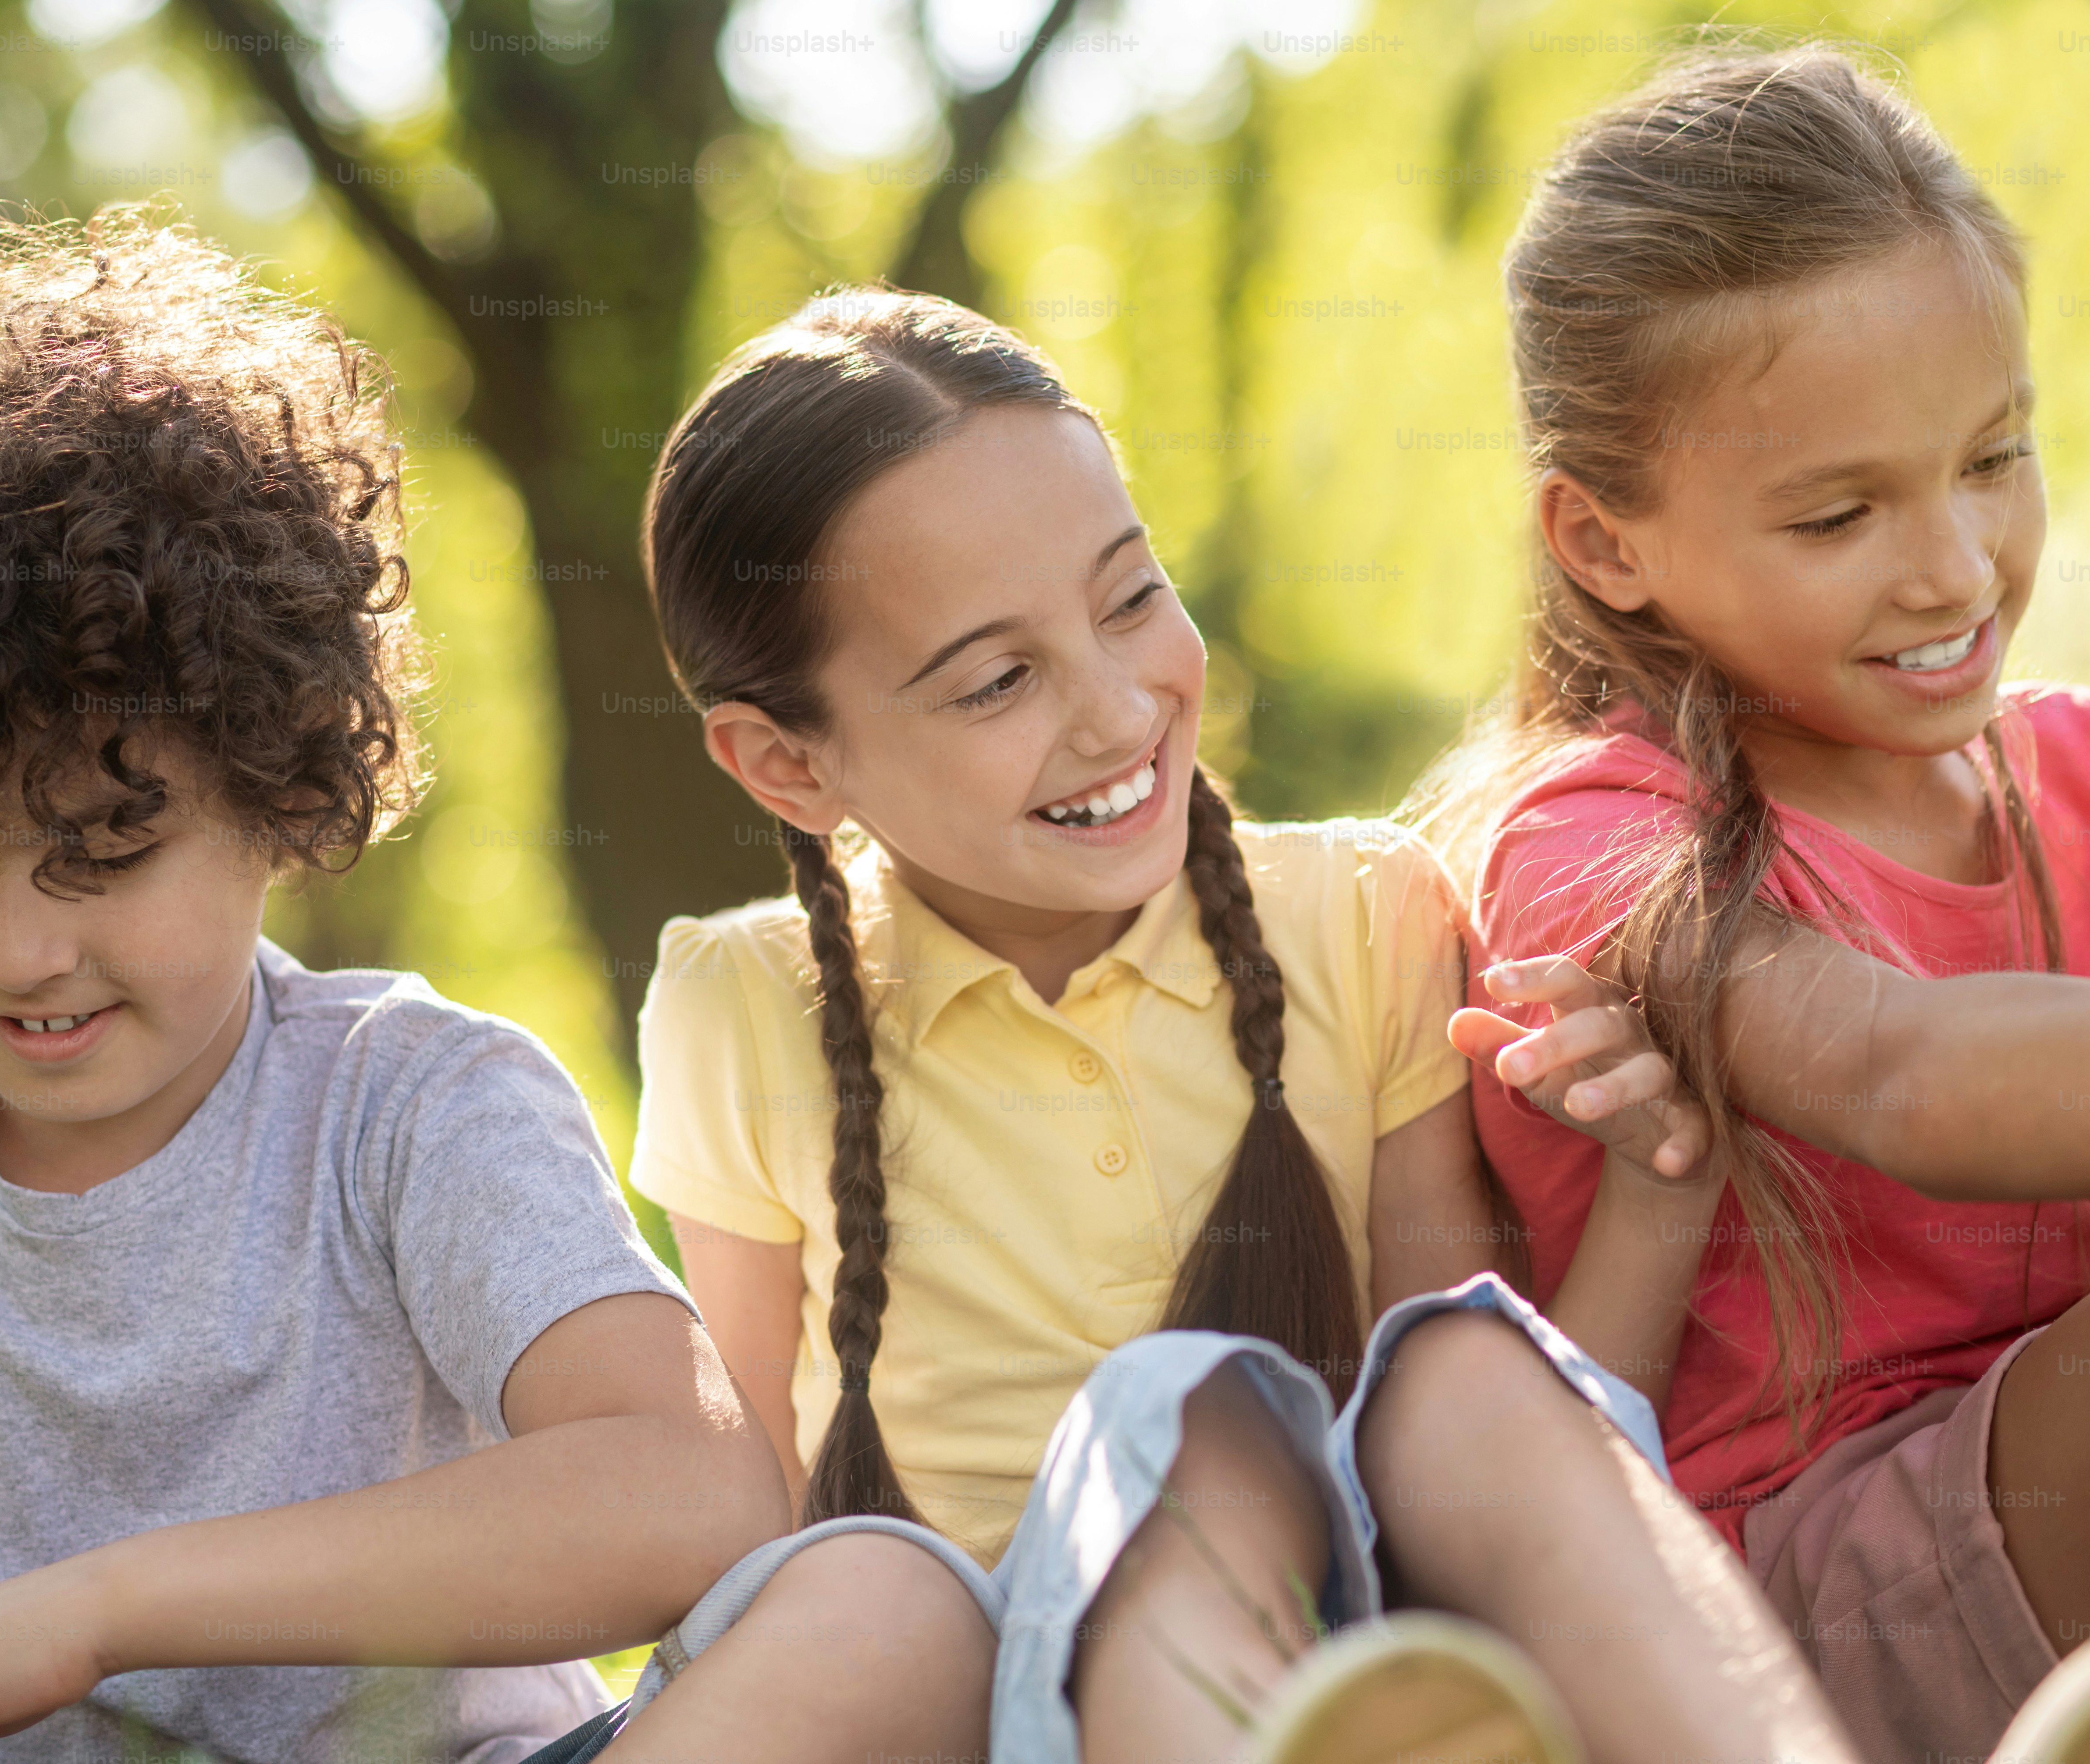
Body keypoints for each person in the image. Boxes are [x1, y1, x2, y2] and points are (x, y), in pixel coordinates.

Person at [572, 285, 1864, 1764]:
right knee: (1171, 1412)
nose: (1119, 712)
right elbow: (749, 1525)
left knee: (1441, 1372)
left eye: (1131, 596)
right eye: (999, 680)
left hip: (1338, 1665)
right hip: (950, 1703)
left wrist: (1654, 1194)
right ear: (787, 768)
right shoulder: (743, 1009)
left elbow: (1462, 1461)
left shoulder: (1359, 914)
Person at [0, 207, 817, 1764]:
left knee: (873, 1613)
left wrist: (94, 1610)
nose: (14, 953)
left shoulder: (414, 1099)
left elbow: (693, 1494)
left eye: (100, 854)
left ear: (281, 790)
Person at [1423, 46, 2090, 1762]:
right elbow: (1915, 1078)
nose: (1955, 565)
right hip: (1805, 1608)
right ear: (1602, 542)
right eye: (1839, 513)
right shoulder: (1590, 840)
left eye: (1992, 458)